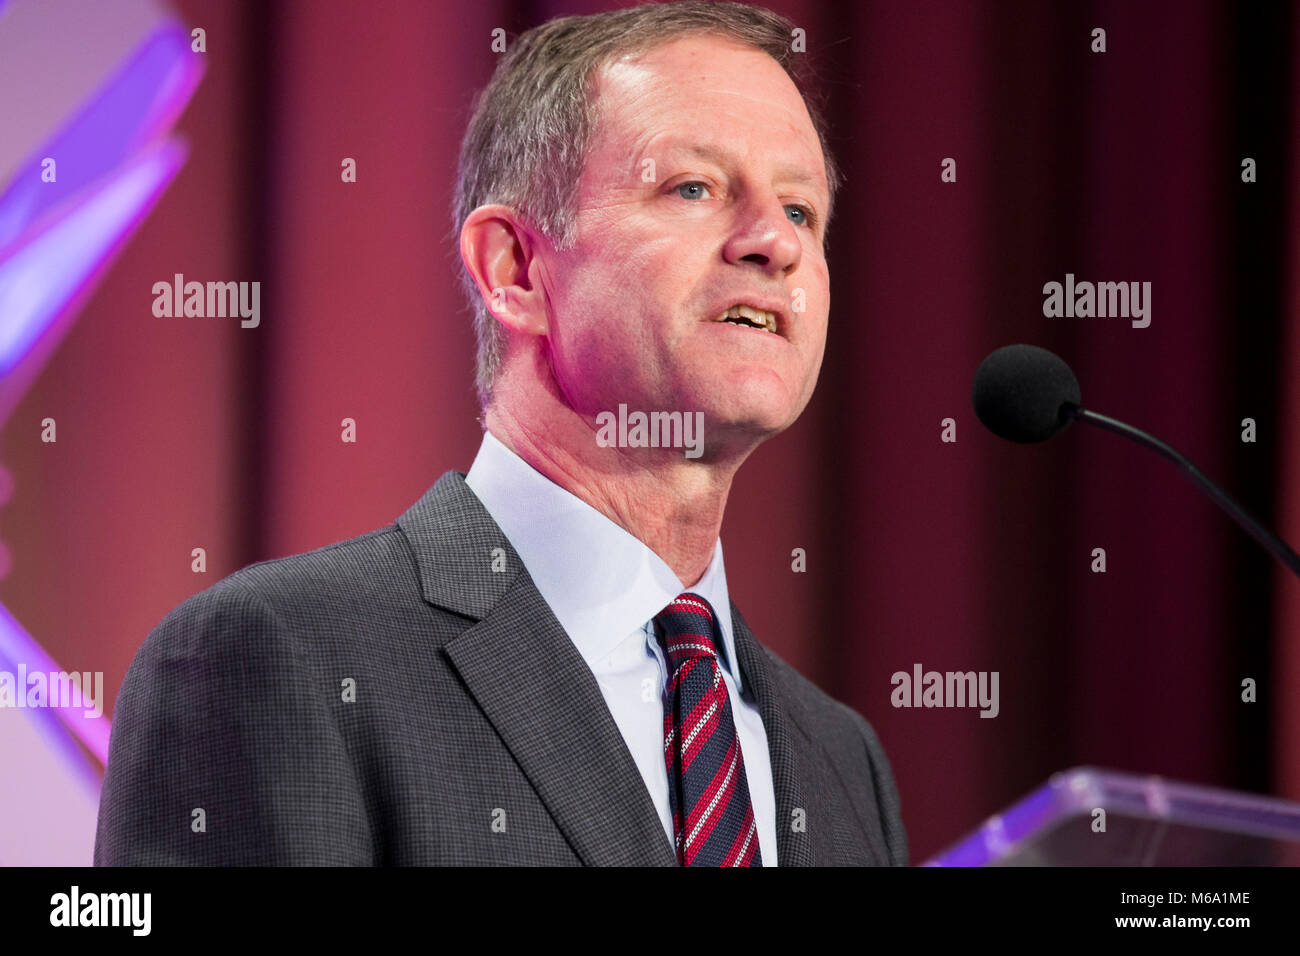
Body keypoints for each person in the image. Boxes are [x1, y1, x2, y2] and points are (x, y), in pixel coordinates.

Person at [94, 0, 907, 867]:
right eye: (694, 187)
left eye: (802, 210)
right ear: (515, 269)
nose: (773, 244)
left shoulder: (842, 760)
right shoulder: (274, 663)